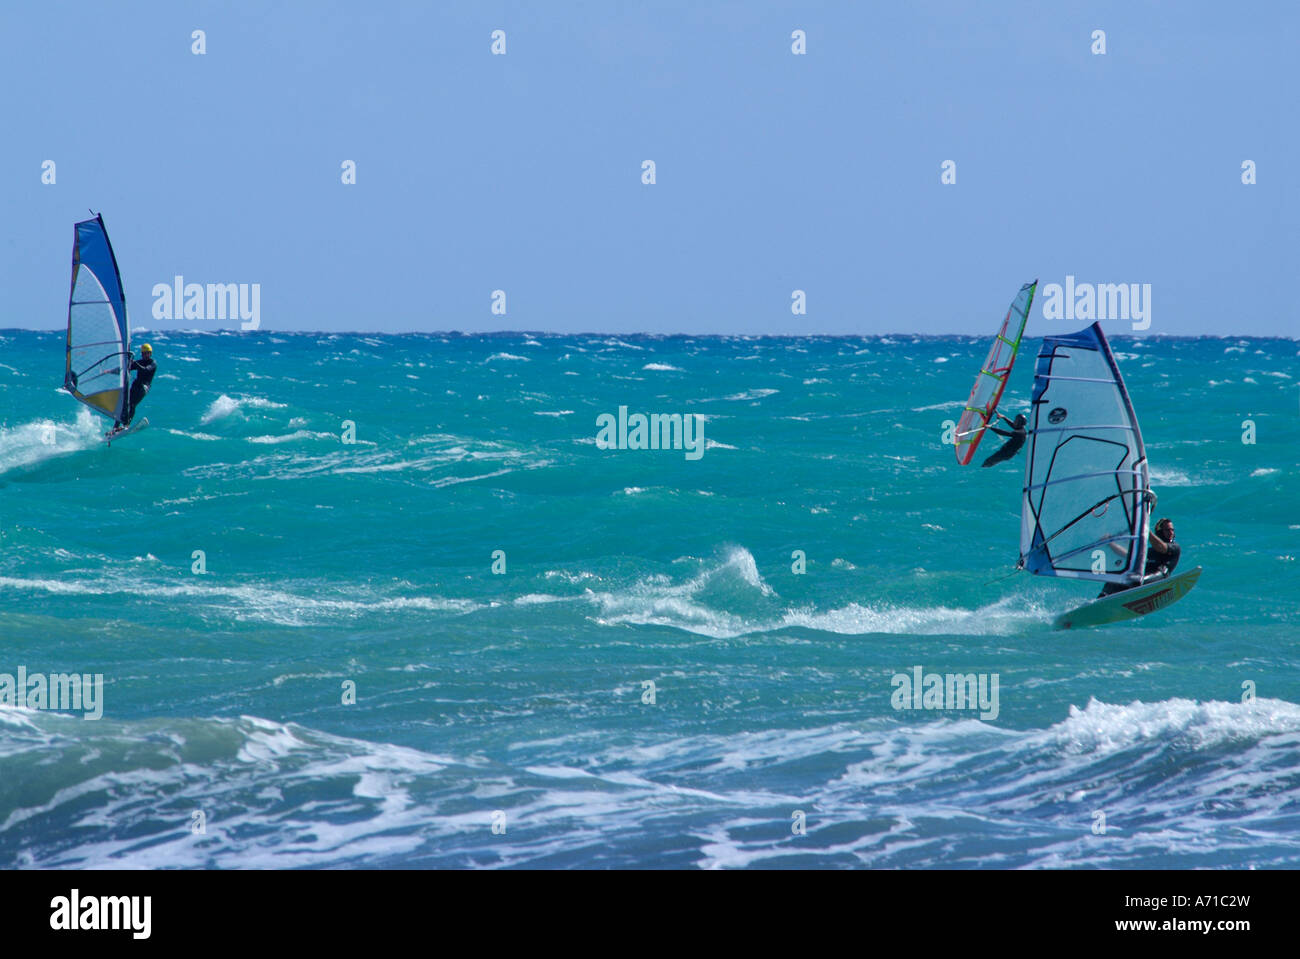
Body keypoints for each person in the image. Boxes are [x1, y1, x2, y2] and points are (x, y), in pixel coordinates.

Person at [1099, 518, 1180, 597]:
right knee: (1114, 581)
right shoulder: (1151, 551)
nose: (1171, 532)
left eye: (1172, 530)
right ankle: (1099, 601)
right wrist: (1111, 543)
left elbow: (1162, 547)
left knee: (1134, 582)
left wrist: (1145, 530)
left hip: (1160, 578)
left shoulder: (1175, 547)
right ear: (1160, 532)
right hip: (1145, 577)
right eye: (1167, 530)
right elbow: (1128, 555)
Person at [116, 343, 156, 430]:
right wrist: (109, 371)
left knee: (132, 404)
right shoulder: (140, 362)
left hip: (143, 388)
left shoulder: (153, 363)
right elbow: (125, 368)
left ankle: (126, 425)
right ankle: (115, 427)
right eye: (144, 353)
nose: (146, 355)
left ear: (150, 353)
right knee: (124, 404)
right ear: (142, 354)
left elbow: (145, 370)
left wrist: (133, 361)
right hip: (135, 385)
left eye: (148, 353)